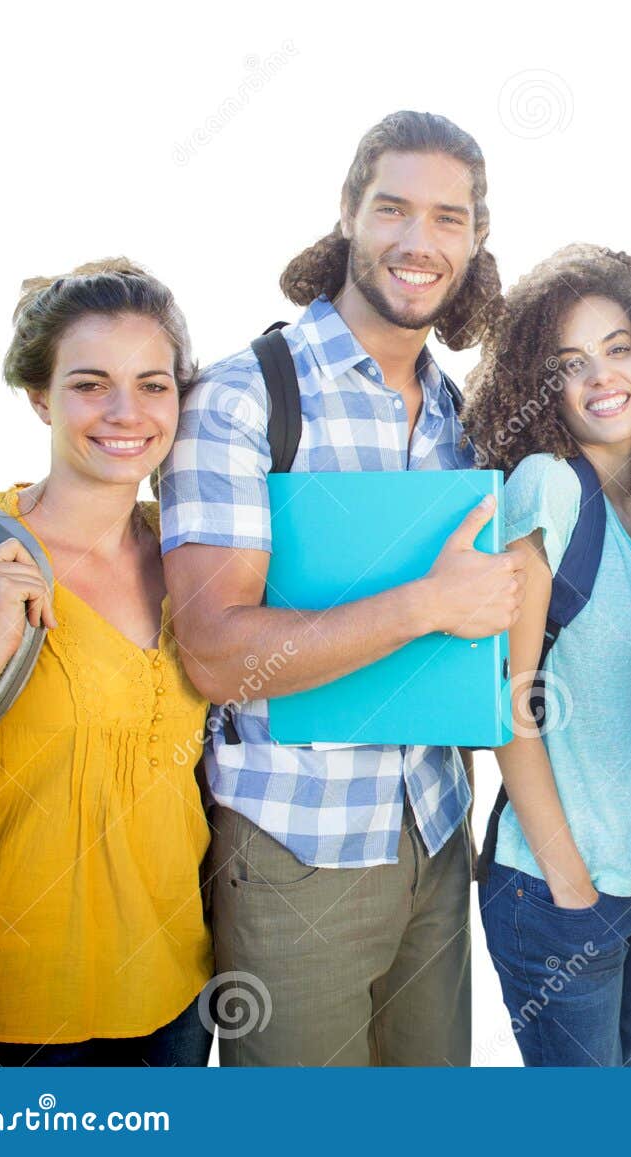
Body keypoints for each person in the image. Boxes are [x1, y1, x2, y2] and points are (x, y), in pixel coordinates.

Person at [159, 111, 523, 1066]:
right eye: (393, 208)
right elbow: (214, 652)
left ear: (475, 240)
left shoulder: (456, 415)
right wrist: (427, 605)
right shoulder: (248, 396)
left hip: (435, 833)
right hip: (295, 847)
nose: (419, 241)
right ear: (348, 218)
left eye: (449, 218)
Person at [0, 259, 213, 1066]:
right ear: (40, 397)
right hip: (6, 1016)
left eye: (154, 384)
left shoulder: (192, 553)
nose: (126, 412)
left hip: (179, 1000)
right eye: (90, 384)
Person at [464, 244, 631, 1066]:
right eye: (571, 362)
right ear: (543, 384)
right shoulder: (547, 488)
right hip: (561, 889)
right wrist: (569, 877)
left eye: (618, 348)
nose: (601, 376)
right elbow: (504, 697)